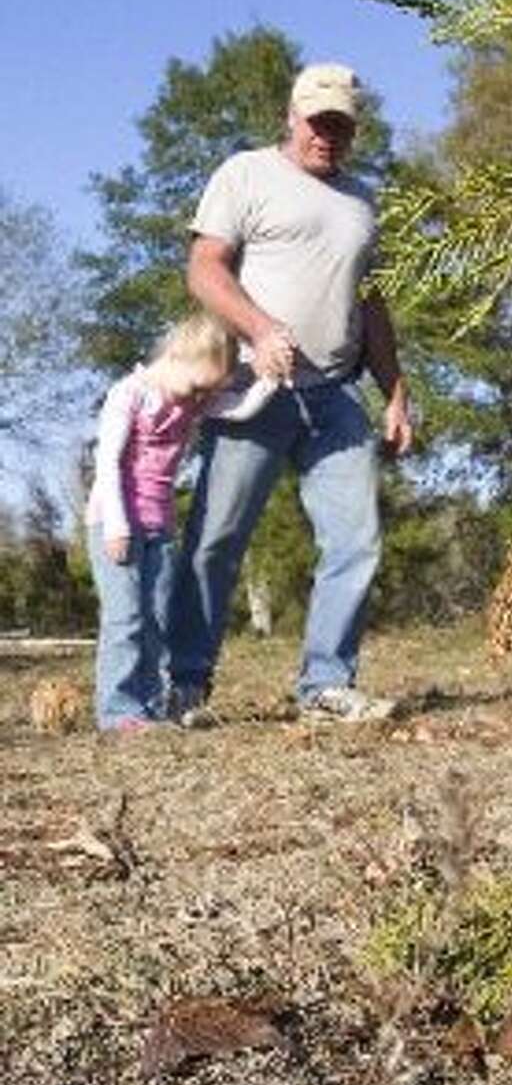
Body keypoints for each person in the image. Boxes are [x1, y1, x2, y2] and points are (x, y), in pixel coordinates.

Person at [166, 62, 412, 725]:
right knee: (216, 537)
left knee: (356, 538)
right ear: (292, 116)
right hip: (254, 386)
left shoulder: (362, 199)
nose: (326, 136)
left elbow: (373, 301)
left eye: (340, 125)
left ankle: (327, 685)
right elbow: (204, 267)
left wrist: (395, 391)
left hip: (336, 392)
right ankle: (184, 682)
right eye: (316, 122)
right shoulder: (246, 174)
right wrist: (260, 327)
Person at [86, 311, 276, 730]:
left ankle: (150, 709)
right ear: (175, 356)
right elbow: (107, 464)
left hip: (159, 527)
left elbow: (238, 408)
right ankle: (117, 712)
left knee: (156, 621)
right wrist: (117, 525)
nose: (197, 401)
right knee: (126, 620)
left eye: (205, 393)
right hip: (115, 524)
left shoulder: (188, 399)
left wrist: (272, 380)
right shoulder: (130, 394)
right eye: (196, 388)